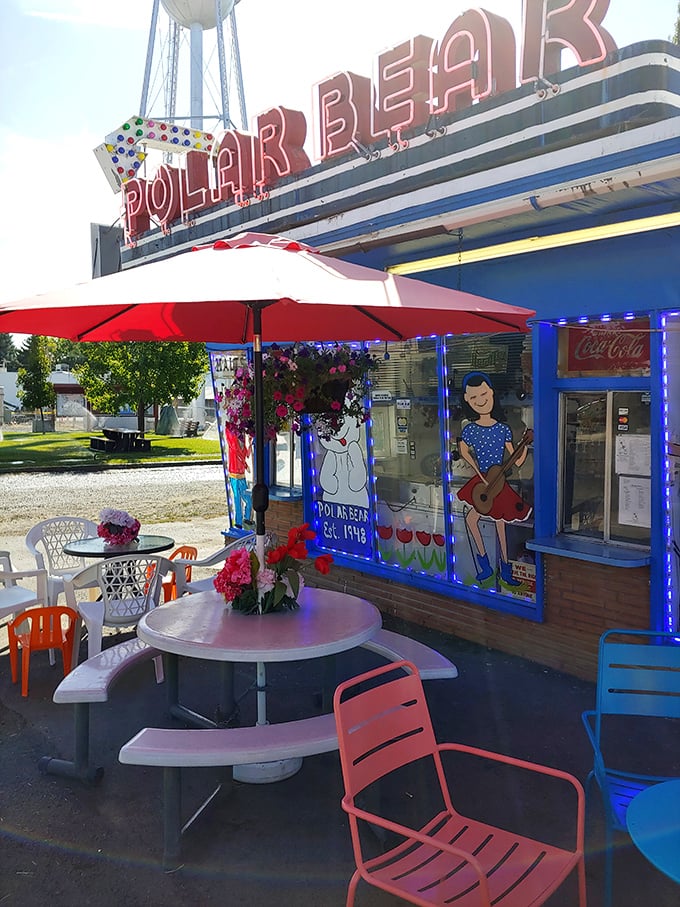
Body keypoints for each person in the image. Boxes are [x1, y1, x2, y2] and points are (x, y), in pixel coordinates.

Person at [457, 371, 532, 586]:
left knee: (501, 525)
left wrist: (524, 446)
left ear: (492, 393)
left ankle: (505, 569)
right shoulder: (470, 429)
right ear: (467, 400)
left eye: (484, 395)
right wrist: (478, 472)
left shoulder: (503, 429)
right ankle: (486, 566)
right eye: (474, 397)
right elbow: (463, 451)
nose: (480, 401)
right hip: (482, 481)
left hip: (499, 481)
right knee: (473, 519)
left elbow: (516, 462)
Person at [225, 429, 253, 529]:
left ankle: (246, 520)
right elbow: (238, 454)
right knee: (237, 500)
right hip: (234, 476)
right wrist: (246, 465)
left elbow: (246, 455)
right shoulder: (233, 443)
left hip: (241, 476)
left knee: (248, 500)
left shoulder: (242, 446)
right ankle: (239, 522)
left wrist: (250, 444)